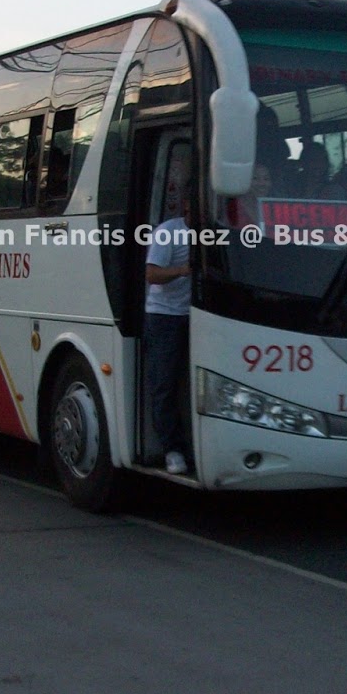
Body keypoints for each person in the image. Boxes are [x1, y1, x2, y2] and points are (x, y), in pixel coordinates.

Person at [145, 173, 193, 475]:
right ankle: (172, 450)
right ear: (187, 204)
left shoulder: (216, 232)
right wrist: (183, 270)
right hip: (165, 317)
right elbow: (152, 274)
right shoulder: (168, 232)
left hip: (197, 316)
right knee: (165, 384)